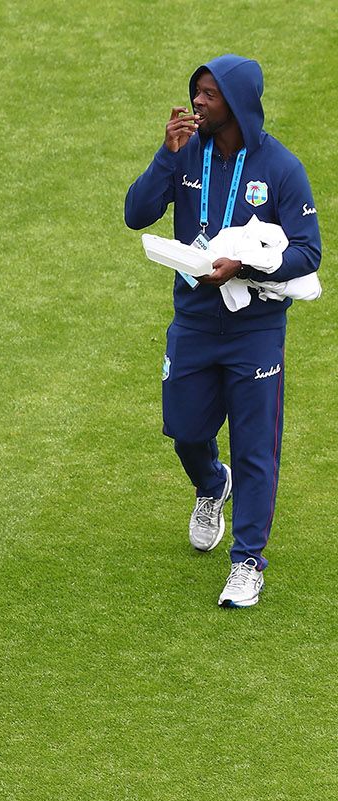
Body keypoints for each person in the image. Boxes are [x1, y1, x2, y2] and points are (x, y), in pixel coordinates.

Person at [125, 55, 321, 608]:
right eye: (197, 91)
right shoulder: (187, 152)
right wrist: (165, 156)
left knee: (255, 447)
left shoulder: (281, 168)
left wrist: (248, 264)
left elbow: (308, 252)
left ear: (236, 104)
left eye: (209, 94)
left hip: (254, 330)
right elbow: (136, 214)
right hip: (193, 321)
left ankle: (246, 563)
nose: (198, 102)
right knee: (184, 428)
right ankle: (212, 483)